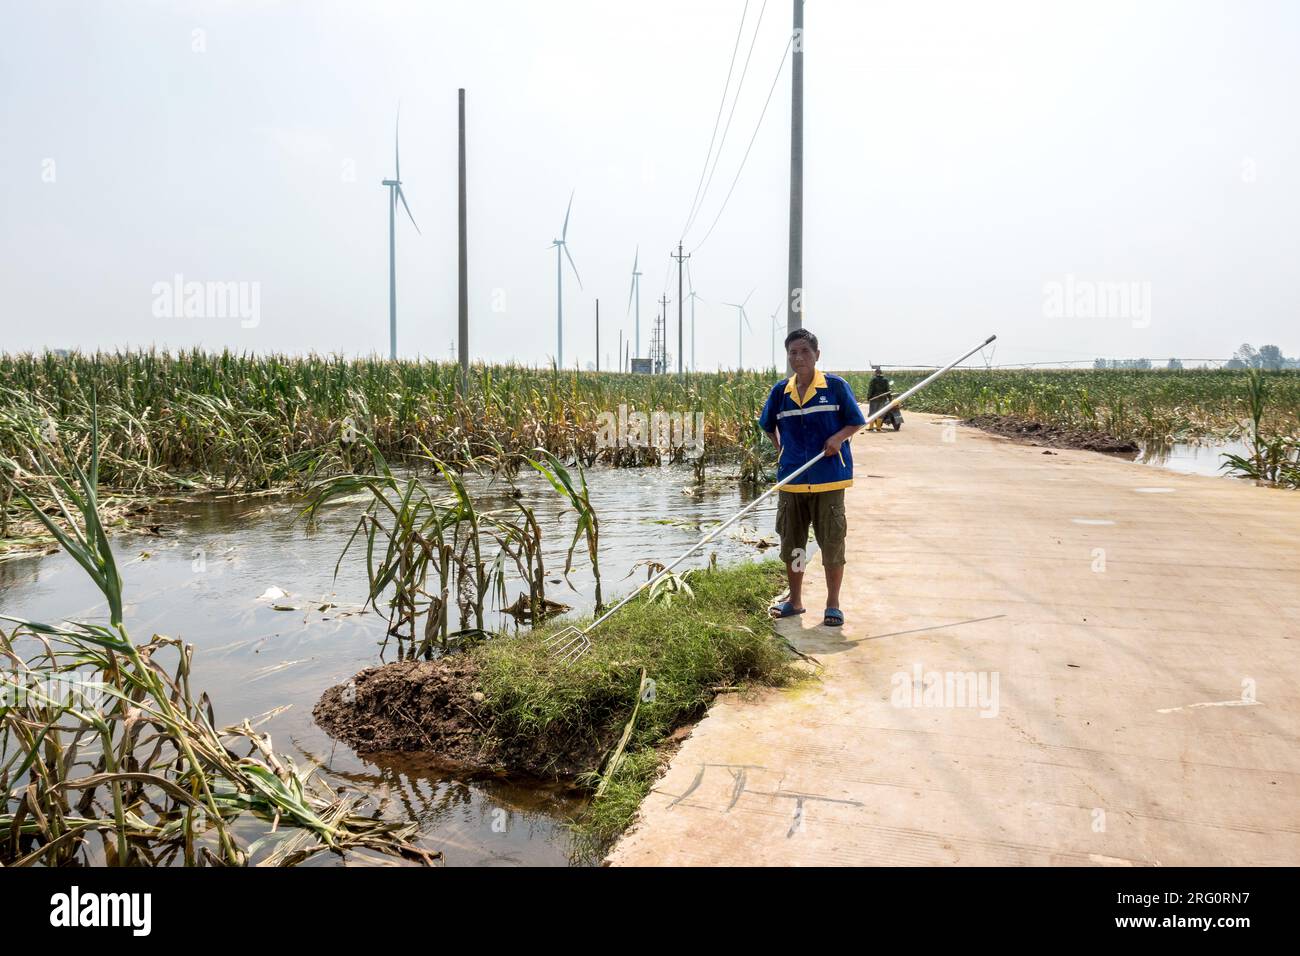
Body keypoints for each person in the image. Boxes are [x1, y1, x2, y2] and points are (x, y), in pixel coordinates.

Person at [758, 329, 866, 627]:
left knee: (831, 543)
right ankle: (795, 600)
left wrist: (838, 439)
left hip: (828, 480)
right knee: (793, 543)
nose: (798, 357)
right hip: (791, 481)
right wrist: (781, 449)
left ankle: (833, 604)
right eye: (793, 352)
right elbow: (767, 425)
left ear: (817, 354)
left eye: (805, 351)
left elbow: (856, 421)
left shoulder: (835, 387)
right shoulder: (781, 392)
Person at [866, 365, 890, 431]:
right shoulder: (885, 380)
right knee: (880, 412)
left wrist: (868, 397)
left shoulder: (873, 380)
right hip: (883, 398)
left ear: (876, 373)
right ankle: (878, 427)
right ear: (881, 373)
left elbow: (870, 390)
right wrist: (890, 398)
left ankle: (871, 427)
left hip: (874, 399)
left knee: (872, 412)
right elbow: (888, 390)